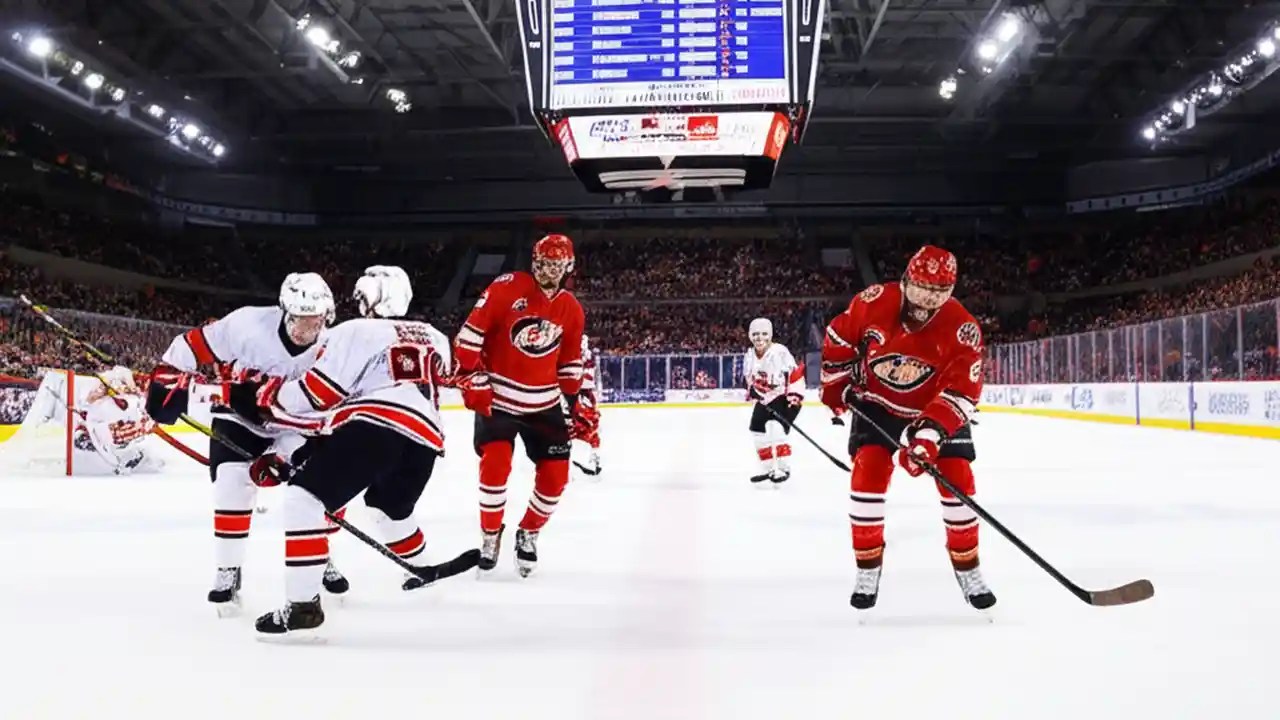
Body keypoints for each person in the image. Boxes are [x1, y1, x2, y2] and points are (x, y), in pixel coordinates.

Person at [228, 265, 454, 635]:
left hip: (377, 428)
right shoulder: (436, 337)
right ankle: (425, 569)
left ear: (370, 299)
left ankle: (302, 605)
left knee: (304, 500)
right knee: (389, 508)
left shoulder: (356, 332)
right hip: (425, 440)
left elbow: (318, 393)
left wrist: (264, 398)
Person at [145, 273, 349, 615]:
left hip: (294, 425)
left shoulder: (336, 348)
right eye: (298, 318)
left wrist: (284, 452)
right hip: (239, 417)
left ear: (326, 317)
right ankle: (228, 569)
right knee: (231, 482)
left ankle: (321, 553)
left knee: (316, 490)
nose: (305, 328)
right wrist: (166, 380)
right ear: (285, 311)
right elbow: (191, 346)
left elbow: (326, 408)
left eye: (314, 320)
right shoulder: (247, 325)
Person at [820, 245, 993, 611]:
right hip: (877, 401)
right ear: (906, 279)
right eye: (922, 287)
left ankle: (967, 565)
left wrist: (928, 438)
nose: (929, 299)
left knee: (958, 480)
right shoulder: (874, 302)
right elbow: (839, 337)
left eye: (940, 291)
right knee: (867, 475)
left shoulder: (963, 329)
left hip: (932, 408)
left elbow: (962, 392)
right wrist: (836, 384)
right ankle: (868, 566)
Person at [453, 233, 585, 577]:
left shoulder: (571, 307)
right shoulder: (507, 286)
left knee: (556, 478)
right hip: (500, 398)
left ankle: (528, 531)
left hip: (544, 403)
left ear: (567, 267)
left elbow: (569, 362)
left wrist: (576, 402)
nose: (549, 271)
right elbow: (468, 338)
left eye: (557, 264)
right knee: (496, 464)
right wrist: (472, 376)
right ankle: (490, 533)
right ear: (534, 262)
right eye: (544, 263)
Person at [743, 317, 804, 484]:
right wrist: (752, 390)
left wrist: (794, 397)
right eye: (755, 334)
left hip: (783, 398)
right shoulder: (750, 356)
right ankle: (769, 468)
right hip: (764, 400)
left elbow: (795, 375)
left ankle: (783, 468)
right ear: (750, 336)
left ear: (770, 335)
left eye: (764, 334)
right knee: (757, 429)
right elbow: (747, 378)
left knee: (777, 430)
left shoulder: (780, 352)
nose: (759, 338)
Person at [570, 334, 602, 478]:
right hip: (574, 396)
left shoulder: (588, 361)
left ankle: (592, 458)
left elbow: (589, 381)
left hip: (581, 396)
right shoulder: (576, 359)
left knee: (588, 426)